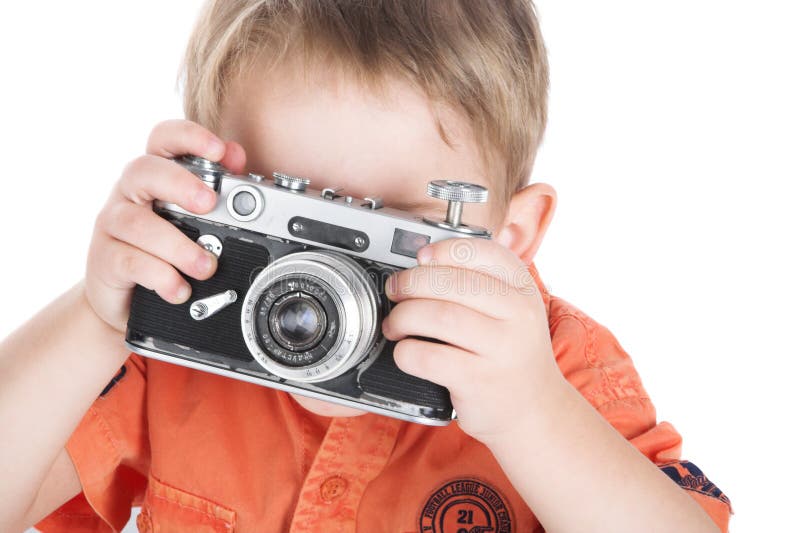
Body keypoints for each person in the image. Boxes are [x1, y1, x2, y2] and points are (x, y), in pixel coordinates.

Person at [0, 1, 732, 532]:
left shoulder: (557, 366)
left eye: (395, 229)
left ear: (511, 232)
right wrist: (98, 317)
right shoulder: (180, 339)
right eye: (283, 212)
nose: (319, 288)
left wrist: (533, 416)